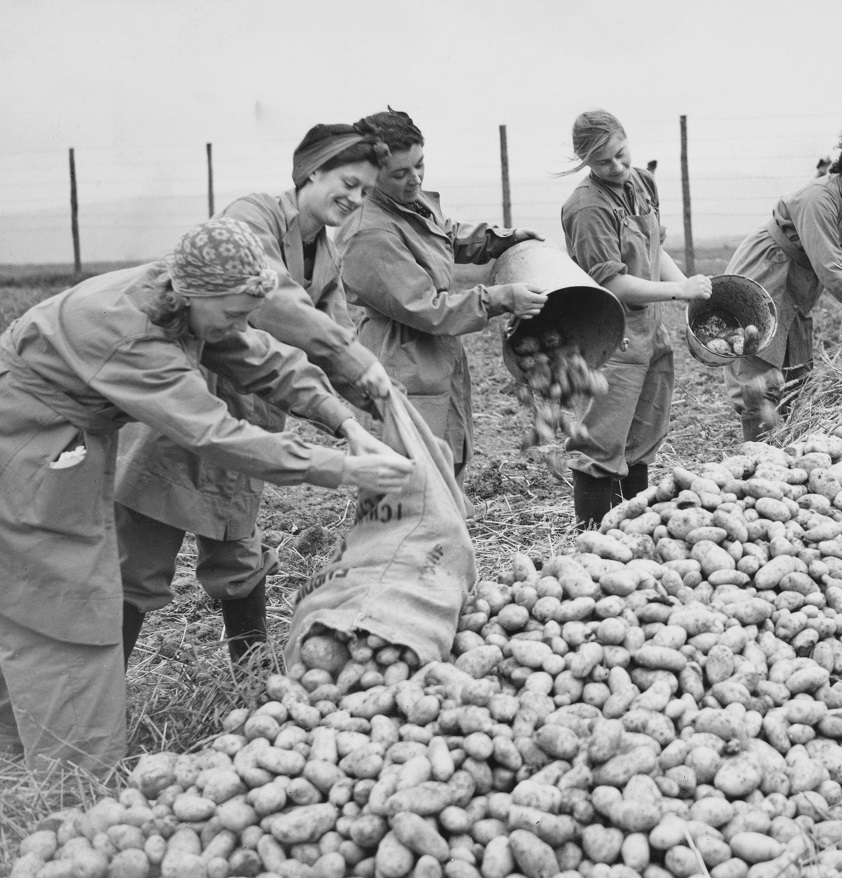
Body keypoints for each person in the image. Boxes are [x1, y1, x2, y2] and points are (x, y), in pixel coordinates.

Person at [0, 217, 413, 773]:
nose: (239, 325)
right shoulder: (131, 333)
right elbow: (213, 433)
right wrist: (338, 469)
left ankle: (16, 731)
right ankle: (72, 775)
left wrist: (344, 421)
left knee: (46, 593)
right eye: (234, 312)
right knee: (65, 602)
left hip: (66, 438)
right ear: (198, 294)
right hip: (26, 444)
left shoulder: (184, 299)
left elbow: (261, 357)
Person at [115, 124, 394, 666]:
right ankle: (99, 697)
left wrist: (379, 406)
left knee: (237, 548)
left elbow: (337, 342)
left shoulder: (325, 252)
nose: (355, 199)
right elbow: (277, 306)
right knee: (141, 557)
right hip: (191, 401)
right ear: (313, 170)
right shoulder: (253, 216)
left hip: (254, 417)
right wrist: (352, 362)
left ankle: (248, 673)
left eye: (364, 192)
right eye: (348, 182)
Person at [340, 109, 548, 499]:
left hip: (435, 356)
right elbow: (426, 308)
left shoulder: (410, 203)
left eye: (419, 165)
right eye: (400, 174)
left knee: (446, 465)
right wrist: (500, 298)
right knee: (408, 483)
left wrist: (501, 238)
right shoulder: (369, 232)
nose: (414, 179)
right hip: (401, 359)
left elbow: (444, 234)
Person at [559, 110, 712, 528]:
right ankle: (590, 539)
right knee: (601, 442)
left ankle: (630, 531)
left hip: (650, 332)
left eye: (621, 153)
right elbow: (616, 284)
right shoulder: (587, 208)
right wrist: (679, 290)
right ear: (585, 162)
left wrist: (689, 293)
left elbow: (650, 249)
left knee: (640, 438)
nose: (618, 167)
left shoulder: (642, 182)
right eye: (604, 162)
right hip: (611, 337)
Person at [723, 125, 842, 441]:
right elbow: (830, 269)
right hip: (768, 272)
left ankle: (785, 458)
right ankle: (758, 459)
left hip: (801, 285)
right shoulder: (819, 198)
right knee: (757, 377)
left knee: (796, 379)